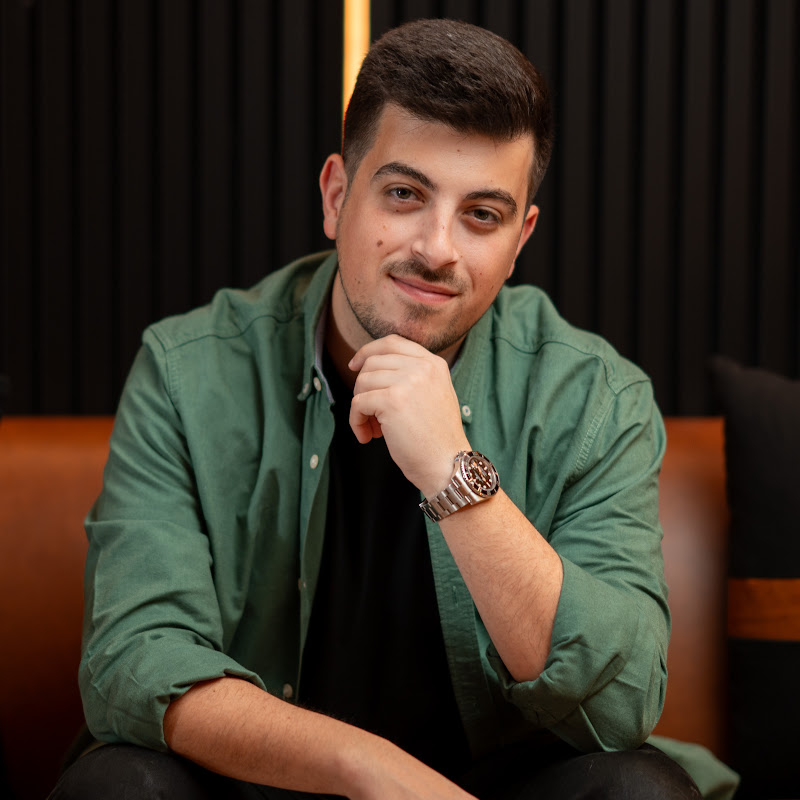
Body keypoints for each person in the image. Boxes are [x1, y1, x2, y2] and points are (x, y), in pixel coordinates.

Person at [51, 18, 702, 800]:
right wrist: (369, 770)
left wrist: (454, 473)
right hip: (265, 784)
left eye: (482, 215)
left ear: (520, 240)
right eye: (404, 194)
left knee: (638, 789)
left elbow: (622, 704)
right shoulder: (188, 370)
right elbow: (134, 661)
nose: (436, 248)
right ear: (336, 196)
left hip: (496, 783)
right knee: (119, 784)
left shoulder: (597, 397)